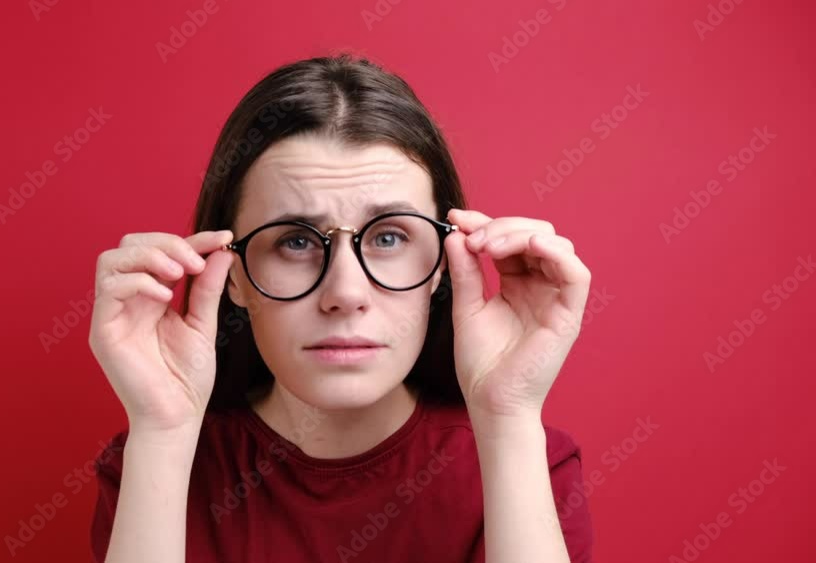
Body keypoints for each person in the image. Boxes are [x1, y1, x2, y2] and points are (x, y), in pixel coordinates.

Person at [87, 52, 595, 563]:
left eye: (390, 237)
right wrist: (163, 432)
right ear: (232, 273)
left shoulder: (530, 459)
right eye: (295, 241)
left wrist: (508, 416)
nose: (345, 293)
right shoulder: (154, 460)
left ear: (443, 263)